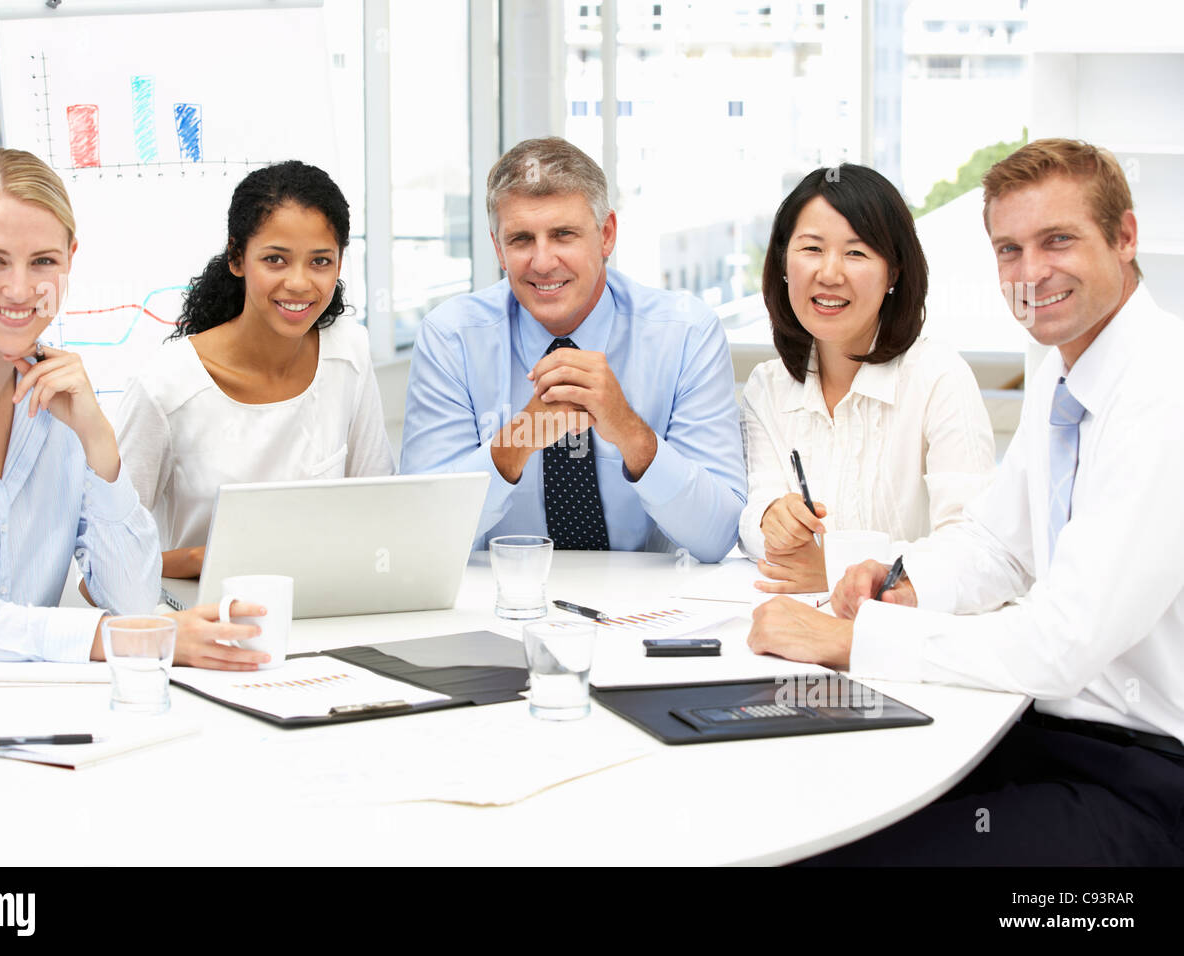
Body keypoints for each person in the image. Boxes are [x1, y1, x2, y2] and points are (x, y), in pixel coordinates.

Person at [749, 139, 1184, 865]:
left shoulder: (1162, 392)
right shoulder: (1065, 374)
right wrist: (905, 581)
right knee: (800, 800)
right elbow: (996, 547)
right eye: (1009, 250)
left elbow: (1063, 642)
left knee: (853, 855)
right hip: (1043, 733)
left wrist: (855, 642)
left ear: (1126, 237)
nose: (1031, 273)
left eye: (1058, 241)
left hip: (1148, 778)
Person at [0, 148, 270, 687]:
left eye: (43, 261)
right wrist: (130, 639)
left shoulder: (67, 402)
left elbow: (132, 598)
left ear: (70, 257)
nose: (21, 289)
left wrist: (96, 439)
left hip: (29, 704)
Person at [400, 137, 745, 562]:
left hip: (647, 607)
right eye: (522, 239)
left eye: (563, 235)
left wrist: (629, 431)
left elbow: (720, 536)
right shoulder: (451, 338)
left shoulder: (687, 334)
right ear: (498, 250)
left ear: (606, 234)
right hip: (501, 602)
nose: (543, 262)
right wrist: (515, 443)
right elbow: (419, 536)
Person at [116, 162, 395, 579]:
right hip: (206, 622)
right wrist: (201, 560)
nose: (300, 283)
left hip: (328, 610)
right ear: (236, 257)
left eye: (320, 261)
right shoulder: (165, 388)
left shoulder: (348, 352)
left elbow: (381, 513)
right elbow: (106, 566)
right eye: (275, 260)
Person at [740, 164, 995, 593]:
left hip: (906, 631)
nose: (830, 273)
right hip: (798, 627)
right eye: (811, 249)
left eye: (856, 253)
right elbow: (752, 516)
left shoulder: (939, 377)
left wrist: (837, 568)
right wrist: (770, 518)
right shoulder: (767, 385)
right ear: (784, 262)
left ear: (893, 272)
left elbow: (974, 545)